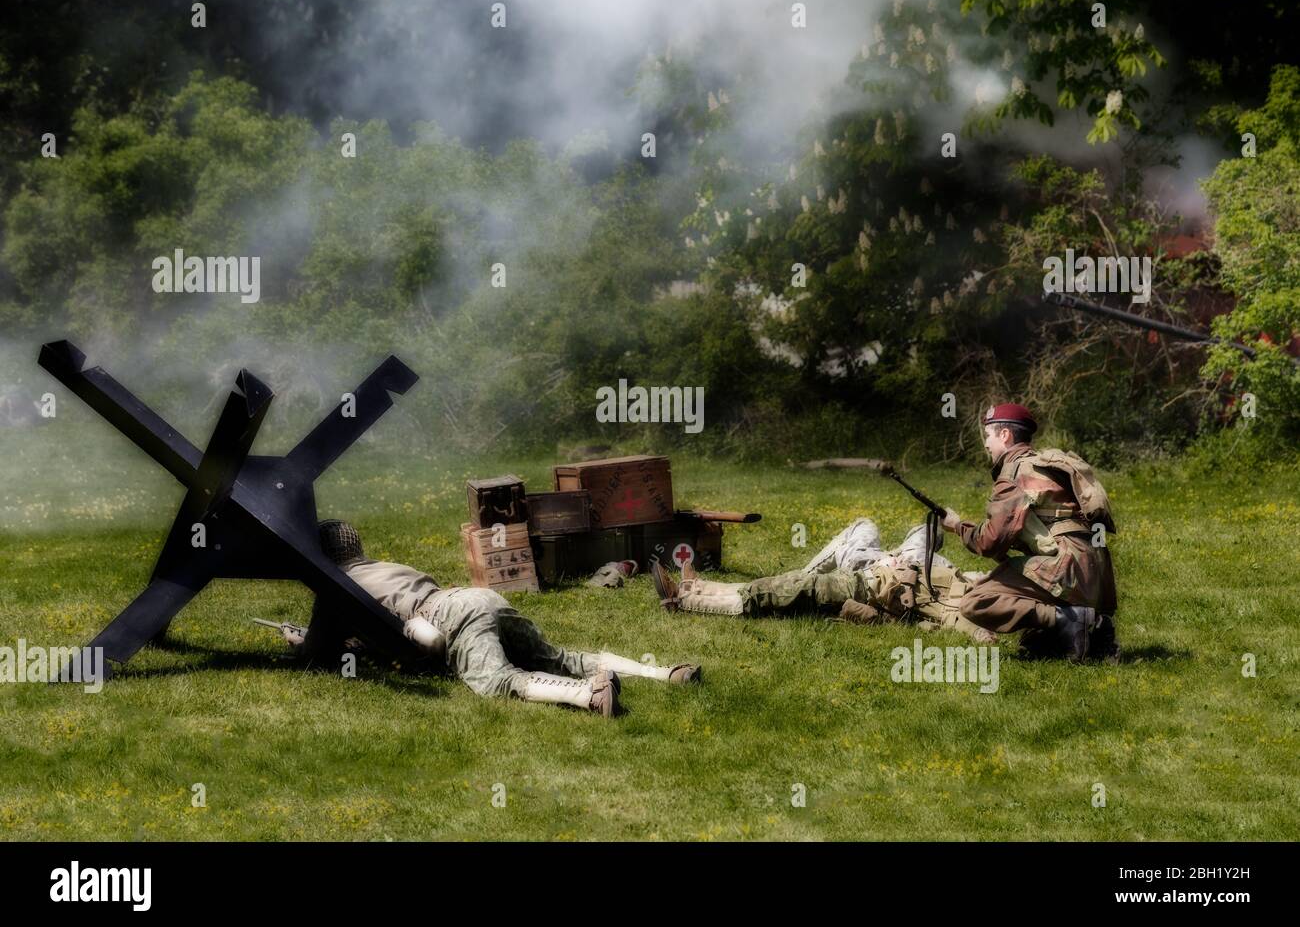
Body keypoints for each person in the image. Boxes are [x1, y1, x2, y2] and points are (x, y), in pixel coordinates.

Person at [275, 520, 702, 718]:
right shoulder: (383, 566)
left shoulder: (337, 589)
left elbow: (317, 652)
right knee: (559, 656)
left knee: (497, 682)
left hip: (449, 616)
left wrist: (300, 644)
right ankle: (665, 673)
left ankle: (590, 695)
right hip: (475, 598)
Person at [940, 403, 1119, 662]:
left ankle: (1071, 618)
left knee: (976, 602)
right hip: (1097, 576)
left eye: (988, 435)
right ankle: (1094, 629)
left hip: (1068, 570)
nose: (986, 444)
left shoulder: (1015, 473)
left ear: (1005, 435)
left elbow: (991, 542)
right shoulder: (1044, 465)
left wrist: (957, 525)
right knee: (1035, 643)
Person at [649, 521, 997, 643]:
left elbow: (966, 623)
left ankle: (690, 599)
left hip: (870, 585)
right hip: (881, 568)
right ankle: (699, 587)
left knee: (801, 588)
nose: (983, 577)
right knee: (925, 527)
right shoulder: (961, 578)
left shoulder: (962, 602)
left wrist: (982, 633)